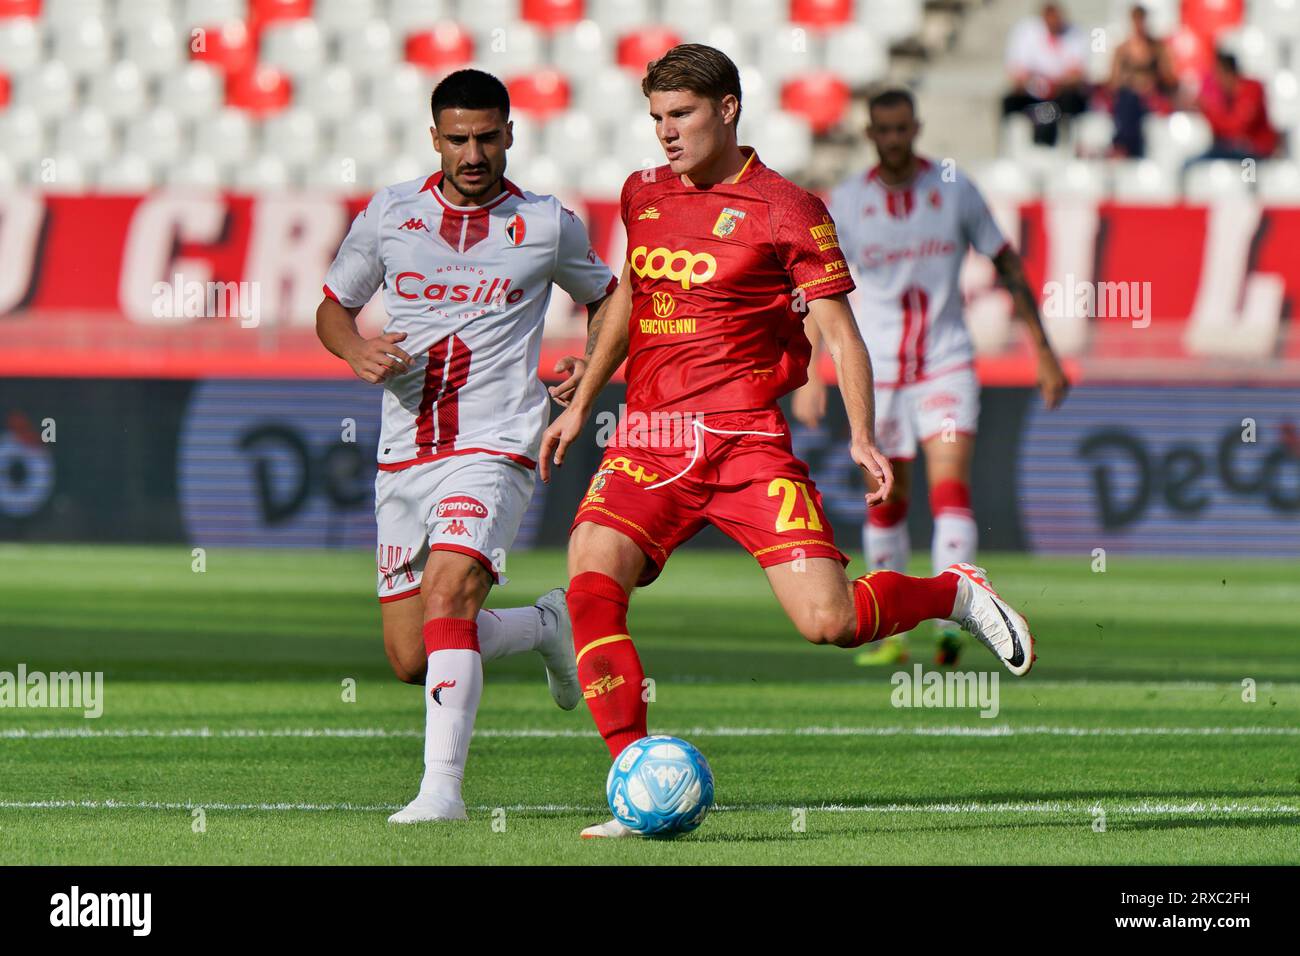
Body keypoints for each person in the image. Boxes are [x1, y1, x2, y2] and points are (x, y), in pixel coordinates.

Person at [540, 45, 1038, 840]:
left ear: (729, 109)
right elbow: (631, 298)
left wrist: (865, 434)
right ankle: (632, 775)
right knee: (591, 580)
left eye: (683, 116)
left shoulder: (788, 208)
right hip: (651, 438)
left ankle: (955, 593)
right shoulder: (643, 193)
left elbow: (842, 334)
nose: (666, 135)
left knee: (829, 624)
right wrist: (584, 400)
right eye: (657, 119)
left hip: (745, 442)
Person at [315, 69, 618, 823]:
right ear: (435, 140)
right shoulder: (391, 214)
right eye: (459, 139)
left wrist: (591, 371)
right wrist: (354, 350)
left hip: (496, 446)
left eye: (488, 136)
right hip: (405, 453)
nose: (474, 152)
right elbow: (333, 307)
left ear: (510, 133)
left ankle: (440, 792)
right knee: (411, 658)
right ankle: (546, 625)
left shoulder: (547, 223)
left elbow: (611, 299)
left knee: (448, 593)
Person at [795, 87, 1068, 668]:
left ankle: (953, 625)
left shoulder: (953, 189)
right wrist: (814, 372)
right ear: (870, 134)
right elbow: (819, 290)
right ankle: (890, 633)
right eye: (883, 130)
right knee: (886, 501)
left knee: (950, 492)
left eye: (902, 129)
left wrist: (1042, 351)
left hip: (945, 362)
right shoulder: (847, 201)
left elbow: (1007, 263)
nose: (894, 139)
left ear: (915, 128)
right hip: (878, 372)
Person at [1002, 3, 1090, 147]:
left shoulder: (1075, 34)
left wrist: (1055, 83)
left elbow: (1078, 74)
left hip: (1061, 94)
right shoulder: (1026, 33)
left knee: (1069, 101)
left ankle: (1064, 145)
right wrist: (1037, 84)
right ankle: (1010, 148)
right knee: (1010, 101)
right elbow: (1016, 73)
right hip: (1032, 94)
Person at [1106, 4, 1176, 157]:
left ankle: (1123, 146)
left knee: (1131, 103)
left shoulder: (1157, 48)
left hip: (1151, 98)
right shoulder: (1122, 50)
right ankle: (1128, 147)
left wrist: (1152, 81)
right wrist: (1132, 81)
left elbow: (1169, 78)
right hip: (1130, 98)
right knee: (1129, 100)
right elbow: (1113, 82)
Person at [1189, 51, 1279, 164]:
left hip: (1255, 152)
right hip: (1237, 150)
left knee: (1199, 162)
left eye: (1218, 75)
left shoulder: (1253, 90)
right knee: (1196, 164)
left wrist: (1207, 111)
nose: (1216, 81)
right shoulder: (1228, 96)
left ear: (1228, 73)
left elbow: (1237, 128)